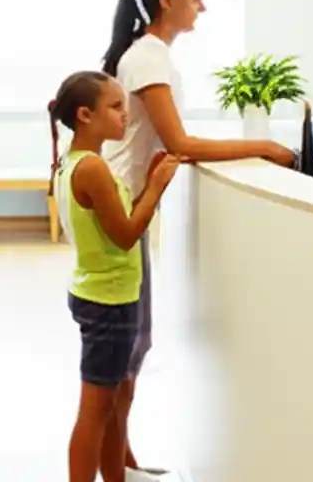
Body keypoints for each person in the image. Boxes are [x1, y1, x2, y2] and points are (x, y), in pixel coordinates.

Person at [101, 0, 296, 477]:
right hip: (119, 206)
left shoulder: (149, 54)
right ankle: (116, 466)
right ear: (167, 0)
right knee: (125, 346)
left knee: (131, 344)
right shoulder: (148, 57)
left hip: (125, 202)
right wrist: (264, 146)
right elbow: (180, 143)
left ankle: (123, 461)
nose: (202, 6)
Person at [50, 70, 184, 482]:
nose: (126, 115)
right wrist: (157, 186)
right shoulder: (91, 169)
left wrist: (148, 184)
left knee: (112, 401)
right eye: (116, 107)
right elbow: (126, 235)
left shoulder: (79, 163)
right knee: (95, 410)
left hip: (106, 294)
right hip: (108, 302)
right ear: (85, 115)